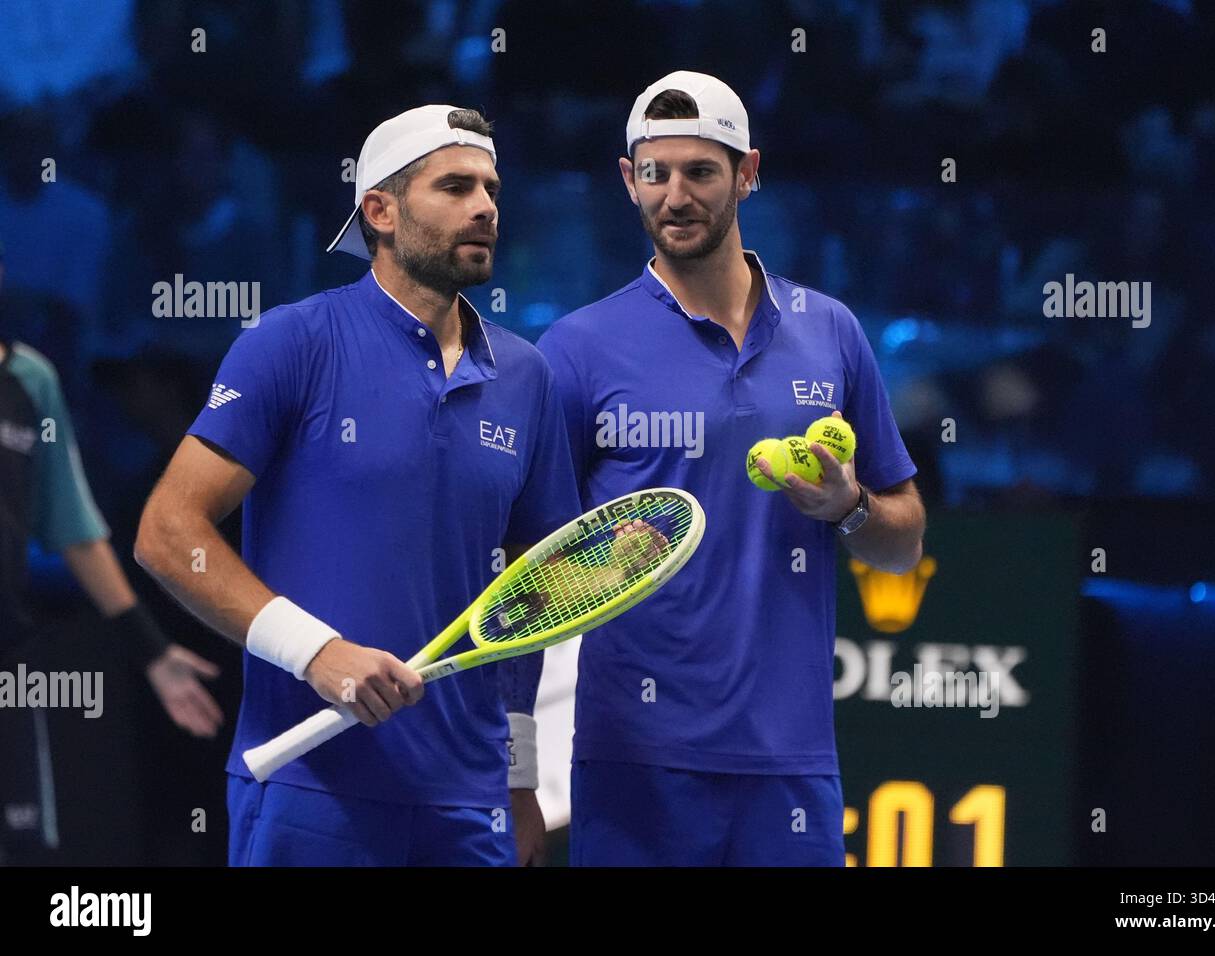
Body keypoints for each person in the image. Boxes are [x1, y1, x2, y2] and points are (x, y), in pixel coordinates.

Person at [135, 106, 580, 866]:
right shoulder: (291, 342)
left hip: (471, 805)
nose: (484, 208)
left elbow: (535, 600)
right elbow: (168, 534)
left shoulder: (527, 377)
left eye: (492, 190)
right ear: (379, 209)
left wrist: (519, 781)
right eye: (455, 187)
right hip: (309, 790)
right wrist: (318, 653)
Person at [537, 72, 926, 866]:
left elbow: (903, 543)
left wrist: (848, 507)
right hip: (630, 765)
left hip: (790, 765)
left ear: (749, 173)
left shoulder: (833, 334)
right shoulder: (575, 351)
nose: (675, 195)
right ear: (628, 180)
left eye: (701, 172)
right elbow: (532, 566)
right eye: (656, 173)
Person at [1, 238, 224, 863]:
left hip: (8, 666)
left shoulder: (30, 380)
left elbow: (74, 529)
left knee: (23, 846)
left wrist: (154, 654)